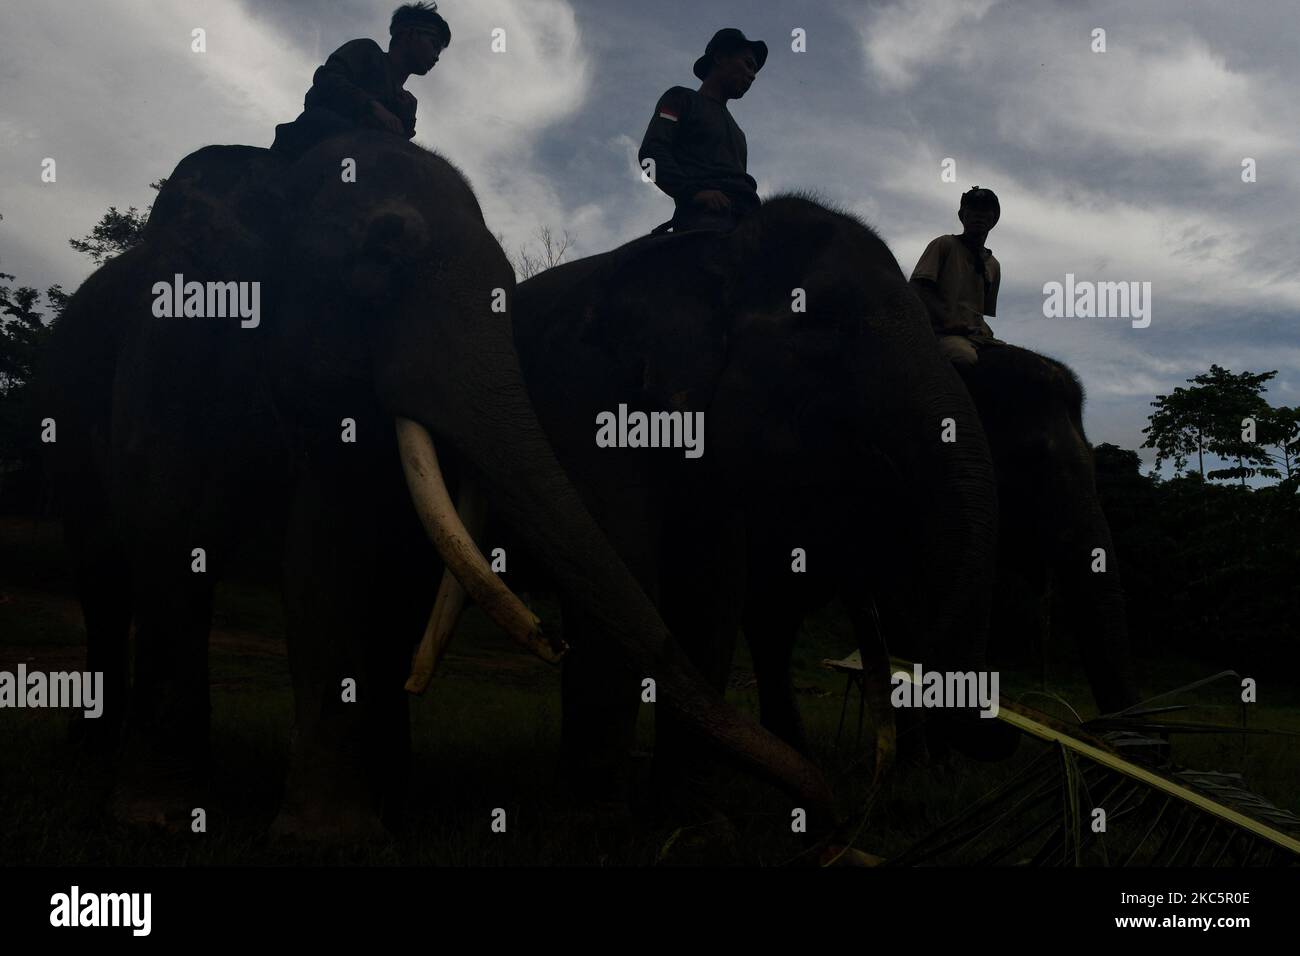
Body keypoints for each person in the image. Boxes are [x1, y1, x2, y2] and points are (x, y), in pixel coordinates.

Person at [271, 2, 451, 158]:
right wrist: (372, 106)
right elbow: (327, 78)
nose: (436, 57)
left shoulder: (405, 101)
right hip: (314, 138)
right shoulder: (367, 50)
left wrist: (407, 122)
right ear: (409, 34)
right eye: (434, 44)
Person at [638, 28, 768, 233]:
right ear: (720, 58)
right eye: (748, 64)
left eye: (755, 71)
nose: (752, 76)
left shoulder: (739, 134)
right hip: (704, 221)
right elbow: (651, 156)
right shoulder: (680, 99)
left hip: (747, 219)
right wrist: (693, 193)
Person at [910, 187, 1004, 366]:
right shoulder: (944, 245)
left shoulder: (993, 265)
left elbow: (981, 312)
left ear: (993, 220)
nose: (978, 216)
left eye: (985, 212)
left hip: (979, 338)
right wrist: (946, 320)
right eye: (973, 211)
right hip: (943, 334)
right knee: (964, 359)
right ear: (963, 216)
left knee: (1014, 364)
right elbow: (917, 290)